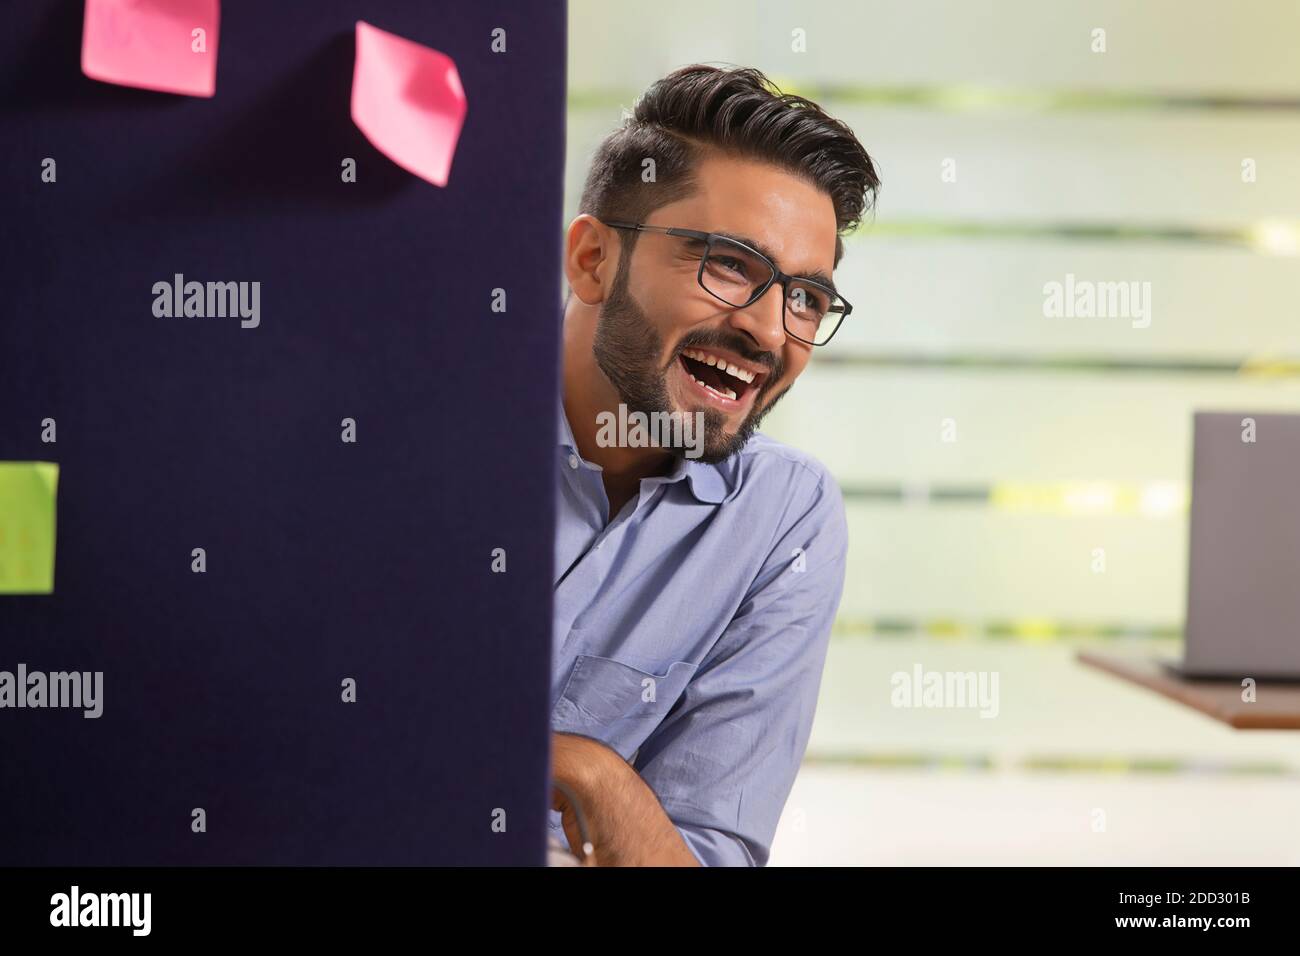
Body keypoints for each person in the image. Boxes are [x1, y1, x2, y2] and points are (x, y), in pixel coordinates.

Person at [550, 64, 879, 866]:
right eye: (731, 264)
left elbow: (705, 856)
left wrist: (597, 777)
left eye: (806, 297)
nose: (771, 332)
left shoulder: (784, 518)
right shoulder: (420, 431)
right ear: (594, 258)